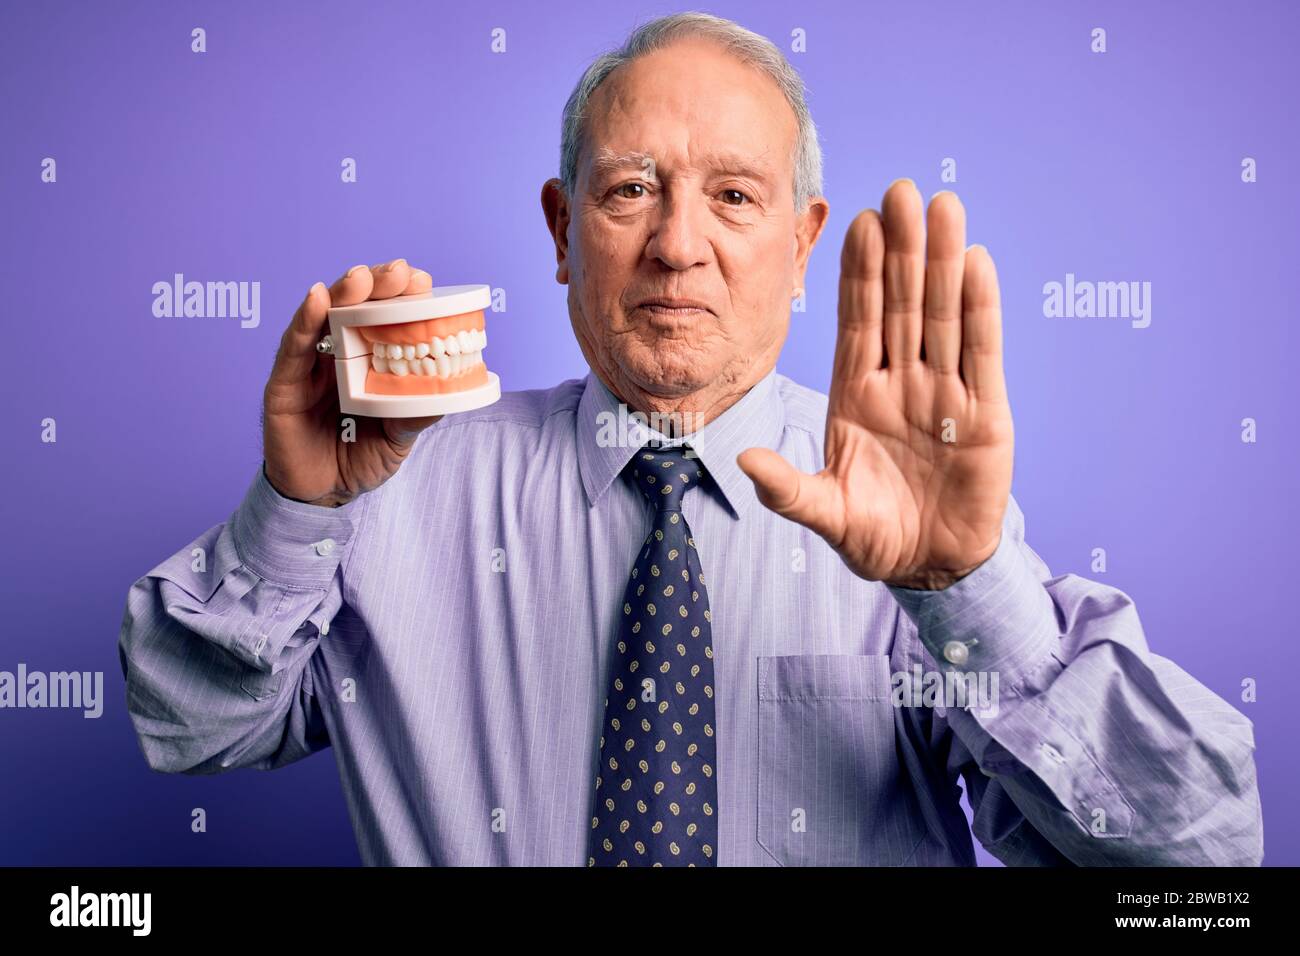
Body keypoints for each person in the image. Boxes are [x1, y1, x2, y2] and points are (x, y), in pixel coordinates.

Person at [118, 12, 1262, 866]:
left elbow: (1195, 866)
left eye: (732, 196)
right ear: (563, 232)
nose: (676, 245)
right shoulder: (395, 486)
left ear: (803, 243)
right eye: (627, 191)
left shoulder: (907, 517)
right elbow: (190, 728)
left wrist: (963, 587)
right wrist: (298, 511)